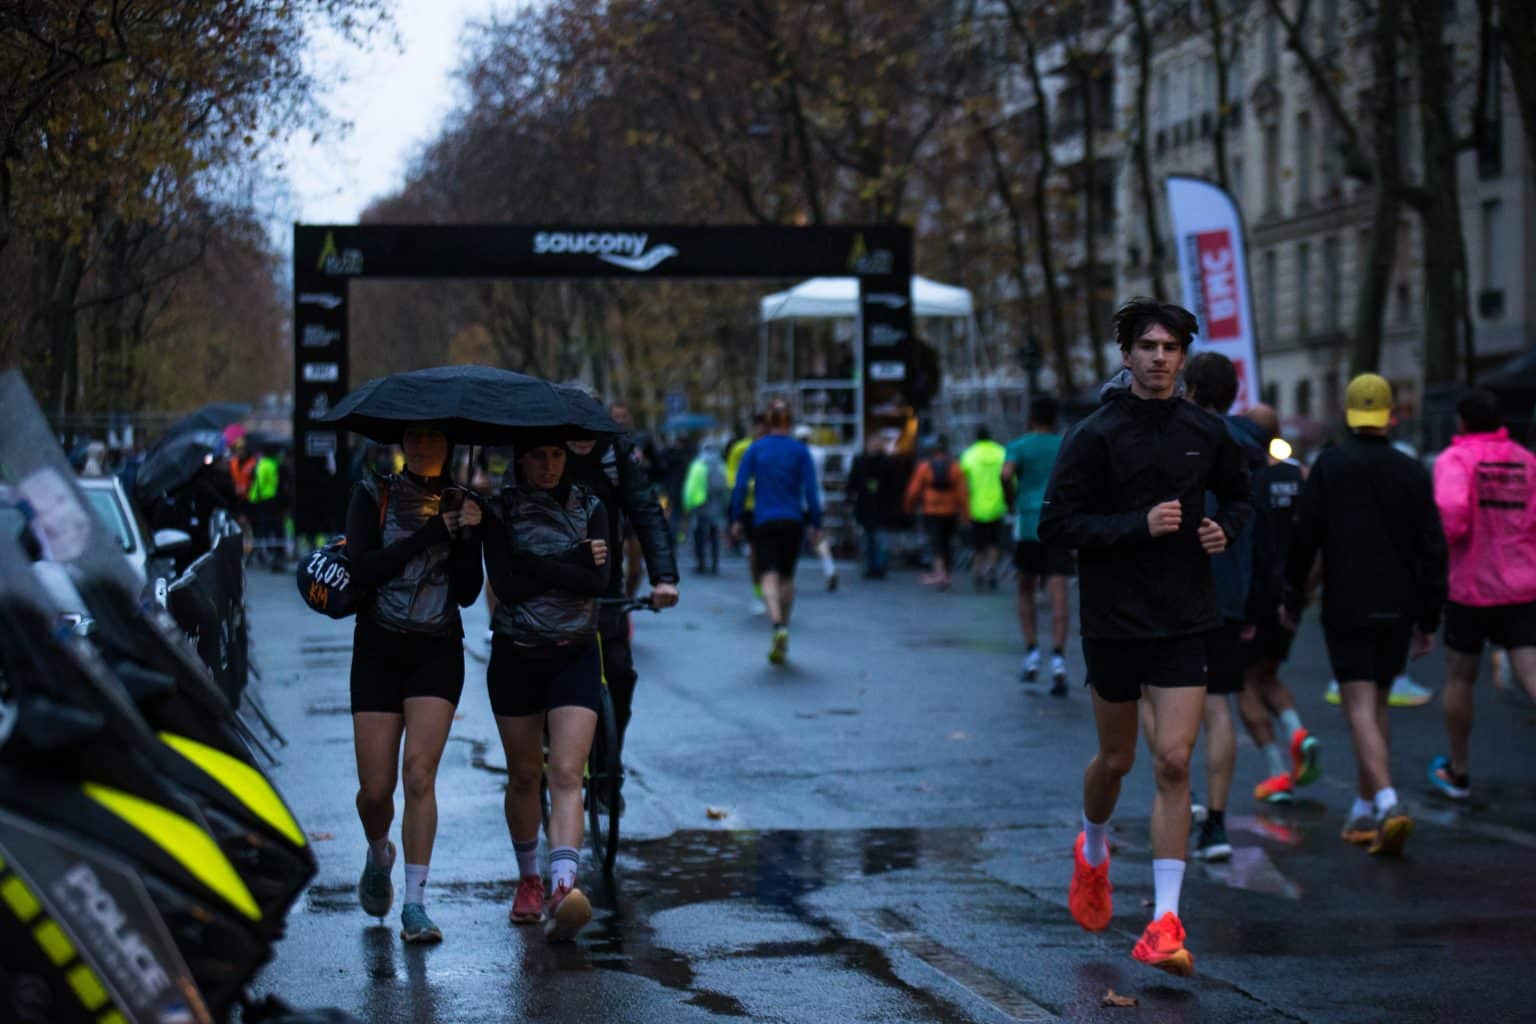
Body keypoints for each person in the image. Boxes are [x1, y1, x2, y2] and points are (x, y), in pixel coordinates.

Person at [1039, 298, 1250, 977]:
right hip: (1115, 619)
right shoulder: (1095, 435)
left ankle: (1164, 920)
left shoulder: (1205, 431)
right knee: (1118, 760)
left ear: (1184, 358)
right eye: (1148, 346)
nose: (1160, 358)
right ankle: (1093, 849)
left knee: (1173, 764)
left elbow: (1239, 495)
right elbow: (1057, 525)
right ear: (1127, 355)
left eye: (1171, 348)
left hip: (1186, 614)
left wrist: (1228, 530)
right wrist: (1137, 525)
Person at [1281, 373, 1446, 857]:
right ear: (1390, 414)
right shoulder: (1411, 471)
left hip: (1348, 601)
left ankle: (1389, 802)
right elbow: (1431, 549)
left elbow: (1303, 537)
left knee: (1357, 705)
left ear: (1349, 414)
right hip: (1399, 605)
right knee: (1375, 703)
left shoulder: (1329, 467)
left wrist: (1293, 596)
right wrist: (1429, 617)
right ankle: (1363, 803)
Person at [346, 422, 483, 944]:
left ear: (449, 444)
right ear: (402, 444)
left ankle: (416, 904)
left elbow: (469, 592)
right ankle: (380, 851)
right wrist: (432, 533)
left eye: (434, 437)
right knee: (375, 791)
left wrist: (469, 533)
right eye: (415, 437)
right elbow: (362, 569)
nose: (423, 446)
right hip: (378, 650)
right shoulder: (372, 494)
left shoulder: (466, 502)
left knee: (419, 775)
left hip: (436, 650)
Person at [482, 432, 611, 941]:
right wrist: (571, 562)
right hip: (516, 654)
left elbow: (598, 584)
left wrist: (537, 566)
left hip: (576, 652)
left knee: (565, 772)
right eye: (538, 455)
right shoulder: (501, 508)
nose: (550, 465)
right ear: (520, 457)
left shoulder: (592, 507)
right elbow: (506, 585)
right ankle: (529, 879)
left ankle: (563, 886)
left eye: (557, 455)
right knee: (523, 776)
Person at [564, 393, 680, 805]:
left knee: (619, 674)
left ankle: (607, 772)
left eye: (590, 430)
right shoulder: (540, 451)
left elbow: (647, 512)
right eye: (575, 431)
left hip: (605, 587)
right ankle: (548, 754)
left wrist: (663, 577)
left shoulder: (616, 457)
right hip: (550, 591)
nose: (582, 439)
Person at [1428, 389, 1536, 799]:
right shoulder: (1527, 461)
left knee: (1459, 678)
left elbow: (1451, 521)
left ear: (1463, 422)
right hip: (1523, 587)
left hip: (1470, 590)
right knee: (1532, 673)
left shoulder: (1456, 460)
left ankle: (1458, 771)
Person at [1182, 353, 1269, 862]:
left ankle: (1183, 796)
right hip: (1232, 594)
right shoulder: (1255, 450)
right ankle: (1215, 821)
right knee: (1217, 709)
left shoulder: (1182, 439)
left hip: (1179, 592)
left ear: (1190, 389)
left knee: (1160, 700)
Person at [1237, 404, 1320, 805]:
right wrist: (1306, 588)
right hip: (1293, 593)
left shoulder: (1252, 479)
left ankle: (1275, 770)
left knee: (1244, 681)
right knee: (1268, 673)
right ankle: (1298, 732)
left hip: (1259, 592)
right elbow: (1319, 540)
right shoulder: (1303, 476)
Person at [730, 400, 822, 664]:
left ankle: (776, 625)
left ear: (768, 423)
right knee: (787, 577)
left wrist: (736, 517)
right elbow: (811, 490)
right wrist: (815, 522)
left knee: (767, 575)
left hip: (764, 519)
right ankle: (784, 627)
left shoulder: (756, 449)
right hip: (793, 520)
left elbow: (740, 486)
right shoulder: (800, 451)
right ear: (790, 423)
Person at [1003, 397, 1072, 691]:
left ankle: (1032, 653)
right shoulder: (1065, 444)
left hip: (1029, 522)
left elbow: (1005, 474)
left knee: (1025, 589)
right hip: (1058, 523)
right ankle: (1058, 658)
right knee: (1059, 592)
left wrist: (1011, 499)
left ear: (1031, 418)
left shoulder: (1019, 446)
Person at [903, 436, 969, 589]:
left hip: (931, 510)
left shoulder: (925, 466)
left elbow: (913, 491)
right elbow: (962, 493)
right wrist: (965, 514)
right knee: (947, 542)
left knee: (936, 542)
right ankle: (946, 574)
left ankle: (940, 573)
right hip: (951, 511)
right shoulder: (955, 467)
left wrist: (909, 507)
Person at [960, 426, 1009, 590]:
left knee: (977, 544)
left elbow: (962, 481)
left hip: (976, 507)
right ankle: (992, 570)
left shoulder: (969, 455)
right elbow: (1010, 478)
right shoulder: (1001, 452)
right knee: (994, 542)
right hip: (997, 505)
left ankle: (978, 572)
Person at [847, 435, 898, 579]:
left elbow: (893, 485)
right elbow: (853, 482)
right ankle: (871, 566)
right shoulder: (860, 461)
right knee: (868, 538)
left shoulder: (887, 462)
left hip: (880, 505)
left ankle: (879, 566)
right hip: (866, 505)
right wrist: (850, 499)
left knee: (879, 538)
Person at [684, 440, 729, 574]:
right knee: (714, 535)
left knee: (700, 535)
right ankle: (715, 563)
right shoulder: (721, 464)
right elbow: (726, 486)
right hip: (716, 505)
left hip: (700, 505)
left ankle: (701, 563)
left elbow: (691, 487)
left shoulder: (698, 464)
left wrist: (689, 504)